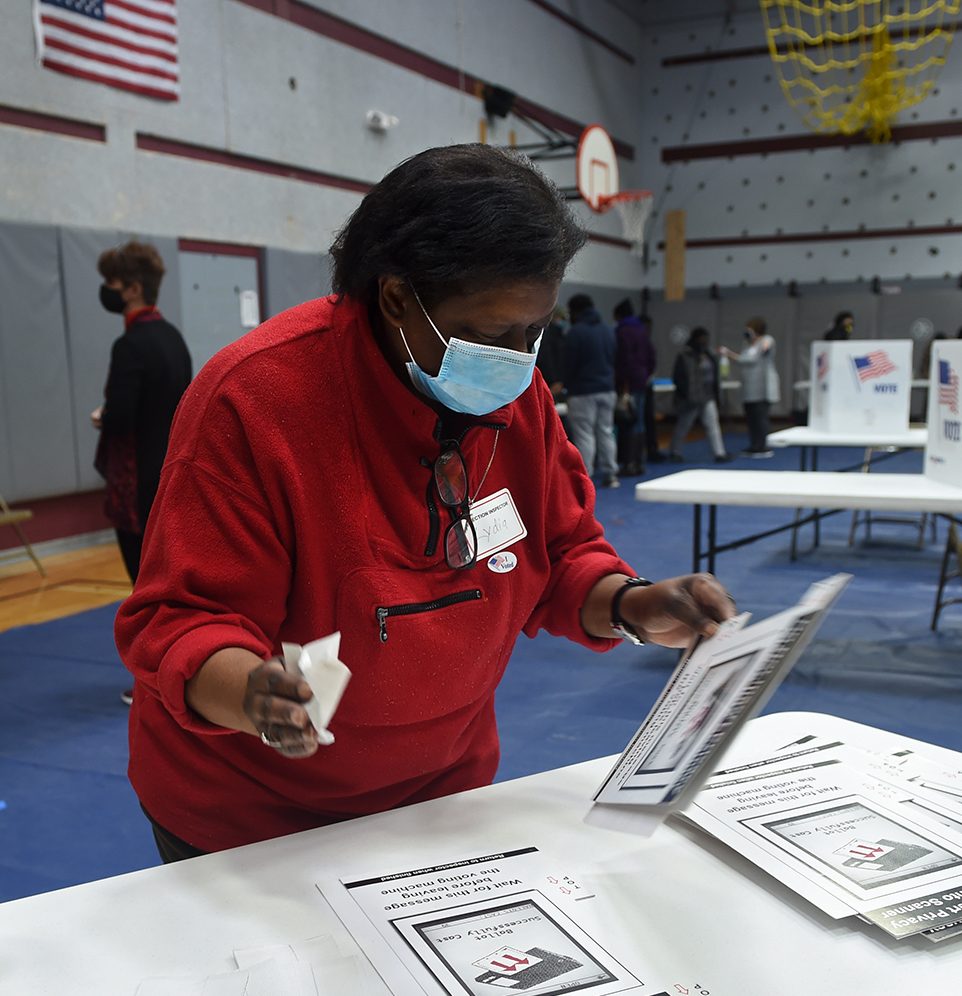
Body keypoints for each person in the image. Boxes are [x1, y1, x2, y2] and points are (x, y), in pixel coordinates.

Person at [114, 144, 735, 861]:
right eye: (491, 334)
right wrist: (253, 694)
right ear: (396, 298)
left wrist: (630, 602)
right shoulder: (255, 401)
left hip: (441, 799)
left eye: (534, 331)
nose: (517, 359)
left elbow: (558, 554)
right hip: (256, 820)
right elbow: (184, 619)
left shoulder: (517, 396)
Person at [88, 241, 193, 706]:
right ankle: (177, 669)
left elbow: (121, 415)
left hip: (137, 485)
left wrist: (103, 416)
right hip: (171, 474)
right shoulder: (172, 337)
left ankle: (153, 680)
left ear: (132, 289)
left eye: (111, 283)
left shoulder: (130, 344)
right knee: (171, 582)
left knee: (144, 587)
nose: (106, 290)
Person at [562, 292, 618, 487]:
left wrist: (566, 384)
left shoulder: (576, 332)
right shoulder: (607, 330)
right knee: (606, 431)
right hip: (607, 389)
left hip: (582, 391)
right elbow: (614, 358)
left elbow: (569, 364)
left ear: (576, 312)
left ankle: (586, 478)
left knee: (584, 434)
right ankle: (611, 473)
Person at [669, 327, 730, 462]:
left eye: (705, 339)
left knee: (713, 425)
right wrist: (686, 393)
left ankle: (719, 453)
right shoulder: (685, 356)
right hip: (691, 398)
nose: (704, 342)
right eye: (701, 339)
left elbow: (715, 376)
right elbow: (678, 377)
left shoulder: (710, 355)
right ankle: (674, 451)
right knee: (683, 425)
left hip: (708, 396)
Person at [720, 317, 779, 458]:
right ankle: (754, 445)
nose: (747, 331)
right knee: (751, 419)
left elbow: (766, 346)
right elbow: (743, 359)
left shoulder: (767, 340)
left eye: (750, 329)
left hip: (762, 388)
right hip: (748, 388)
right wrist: (728, 354)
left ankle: (763, 446)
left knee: (760, 418)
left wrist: (764, 345)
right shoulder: (746, 345)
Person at [612, 299, 657, 476]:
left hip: (628, 383)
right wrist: (645, 374)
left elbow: (624, 359)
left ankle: (629, 462)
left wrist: (622, 382)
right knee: (639, 422)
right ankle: (638, 462)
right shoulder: (641, 330)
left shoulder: (622, 331)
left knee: (629, 421)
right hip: (641, 381)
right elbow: (652, 356)